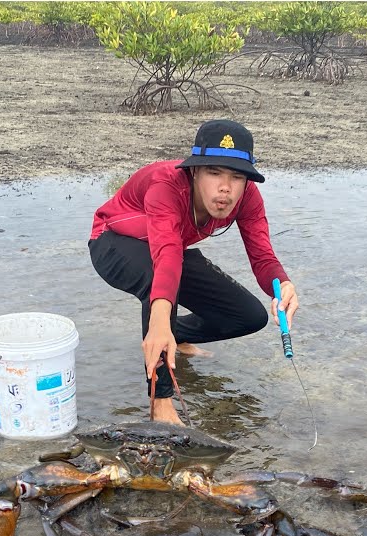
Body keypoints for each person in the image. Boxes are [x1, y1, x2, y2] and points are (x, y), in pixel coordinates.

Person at [88, 119, 299, 425]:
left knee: (250, 316)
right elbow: (166, 257)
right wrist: (159, 319)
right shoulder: (166, 185)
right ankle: (159, 401)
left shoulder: (248, 197)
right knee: (157, 287)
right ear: (195, 170)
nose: (225, 187)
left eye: (237, 177)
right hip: (112, 243)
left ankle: (176, 334)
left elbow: (262, 255)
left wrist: (283, 284)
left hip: (166, 249)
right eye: (214, 172)